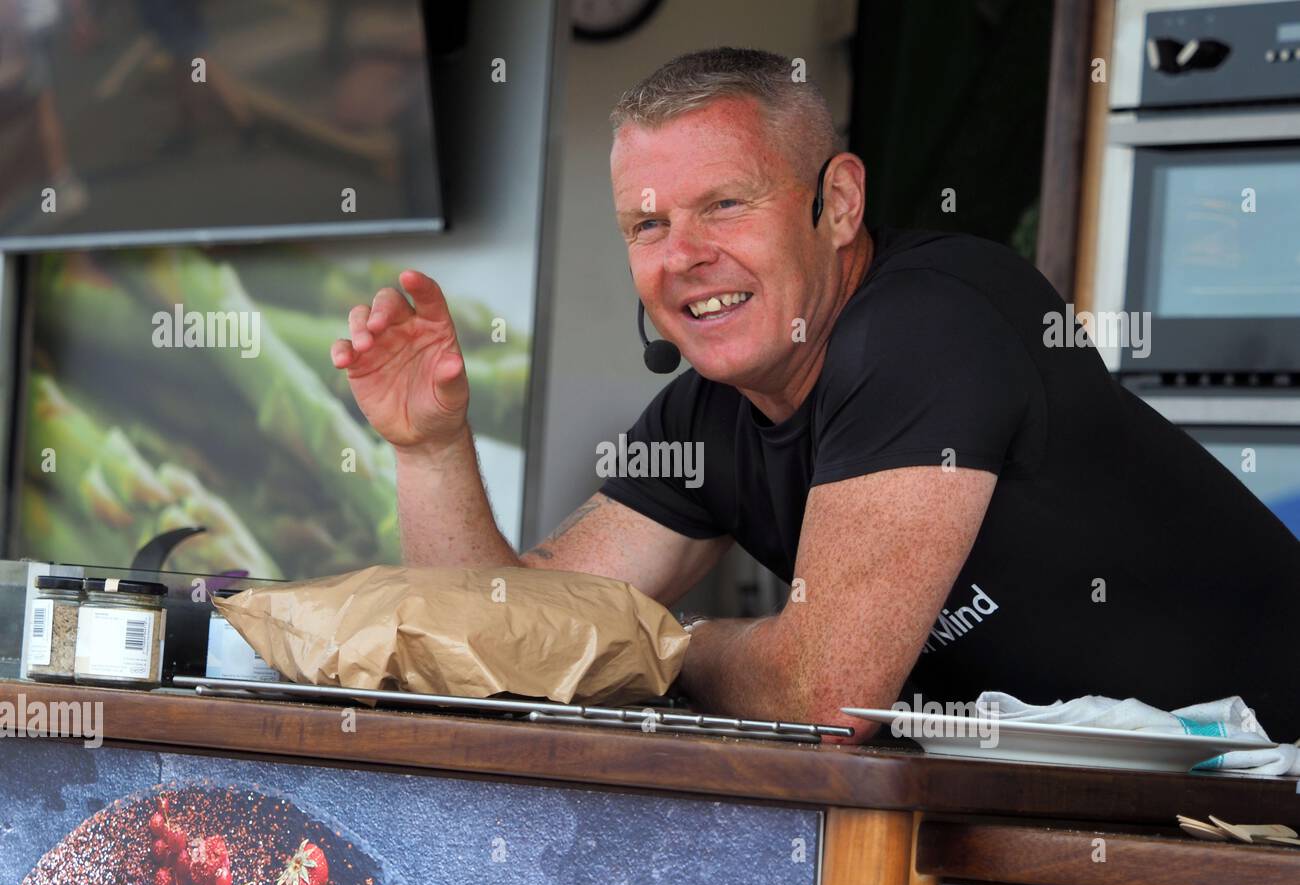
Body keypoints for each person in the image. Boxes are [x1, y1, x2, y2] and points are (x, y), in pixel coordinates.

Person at [332, 47, 1300, 745]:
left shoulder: (929, 323)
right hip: (1105, 815)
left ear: (837, 204)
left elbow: (827, 690)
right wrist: (429, 448)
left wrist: (667, 644)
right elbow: (502, 641)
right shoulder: (711, 412)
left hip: (1263, 812)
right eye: (647, 222)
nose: (683, 255)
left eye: (724, 204)